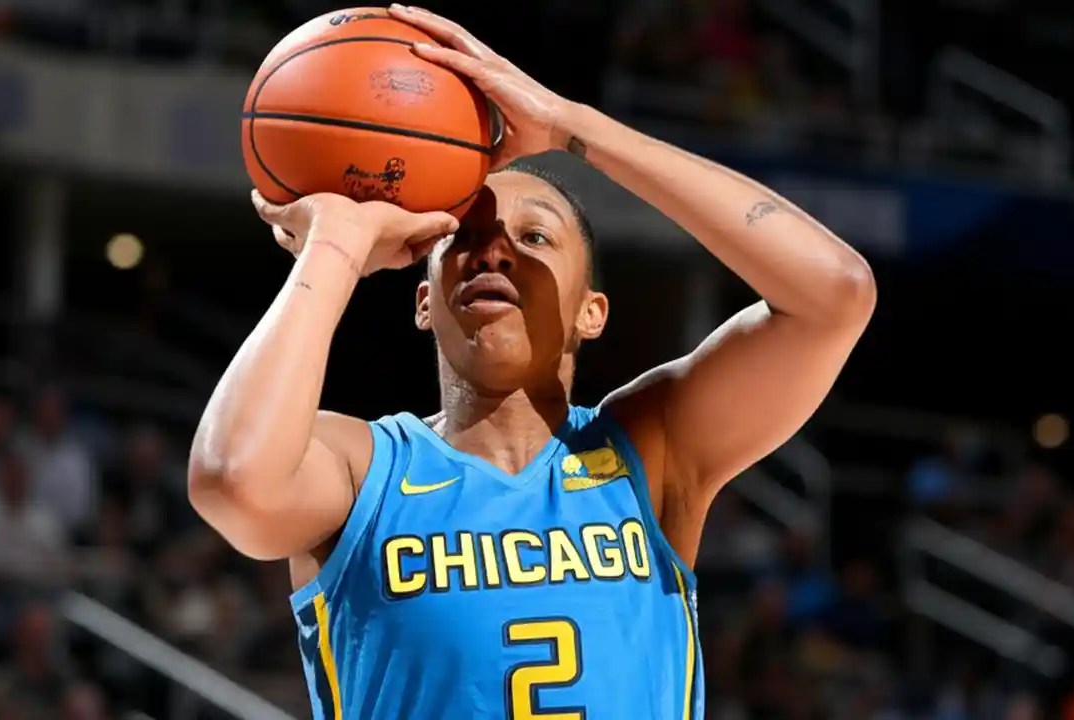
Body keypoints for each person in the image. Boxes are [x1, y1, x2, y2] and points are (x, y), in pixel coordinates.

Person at [187, 6, 876, 719]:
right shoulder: (365, 470)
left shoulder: (650, 450)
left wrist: (571, 127)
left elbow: (835, 294)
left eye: (535, 236)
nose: (495, 249)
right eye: (467, 238)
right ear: (425, 301)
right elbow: (232, 480)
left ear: (592, 311)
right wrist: (338, 241)